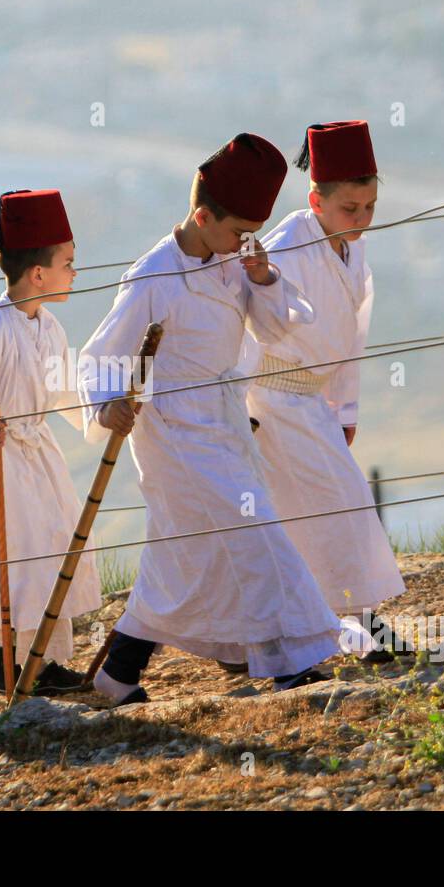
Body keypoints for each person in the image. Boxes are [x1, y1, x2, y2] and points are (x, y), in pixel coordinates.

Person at [78, 133, 343, 705]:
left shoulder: (232, 262)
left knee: (182, 552)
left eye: (250, 235)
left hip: (223, 422)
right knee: (257, 534)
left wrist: (262, 277)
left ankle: (118, 673)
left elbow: (273, 329)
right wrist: (107, 402)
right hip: (174, 431)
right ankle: (293, 663)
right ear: (202, 215)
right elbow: (103, 353)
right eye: (235, 232)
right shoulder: (153, 277)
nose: (242, 243)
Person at [245, 122, 408, 662]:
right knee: (338, 501)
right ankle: (349, 627)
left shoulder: (350, 251)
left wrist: (346, 405)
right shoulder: (286, 247)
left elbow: (351, 335)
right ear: (316, 198)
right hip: (272, 398)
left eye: (369, 207)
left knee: (331, 506)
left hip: (313, 399)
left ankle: (341, 625)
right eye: (349, 208)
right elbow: (249, 321)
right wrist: (238, 410)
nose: (361, 219)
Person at [0, 190, 99, 696]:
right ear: (37, 274)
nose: (76, 271)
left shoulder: (48, 327)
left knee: (47, 549)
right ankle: (0, 655)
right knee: (6, 555)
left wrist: (103, 410)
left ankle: (44, 659)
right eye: (68, 263)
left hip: (36, 454)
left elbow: (66, 388)